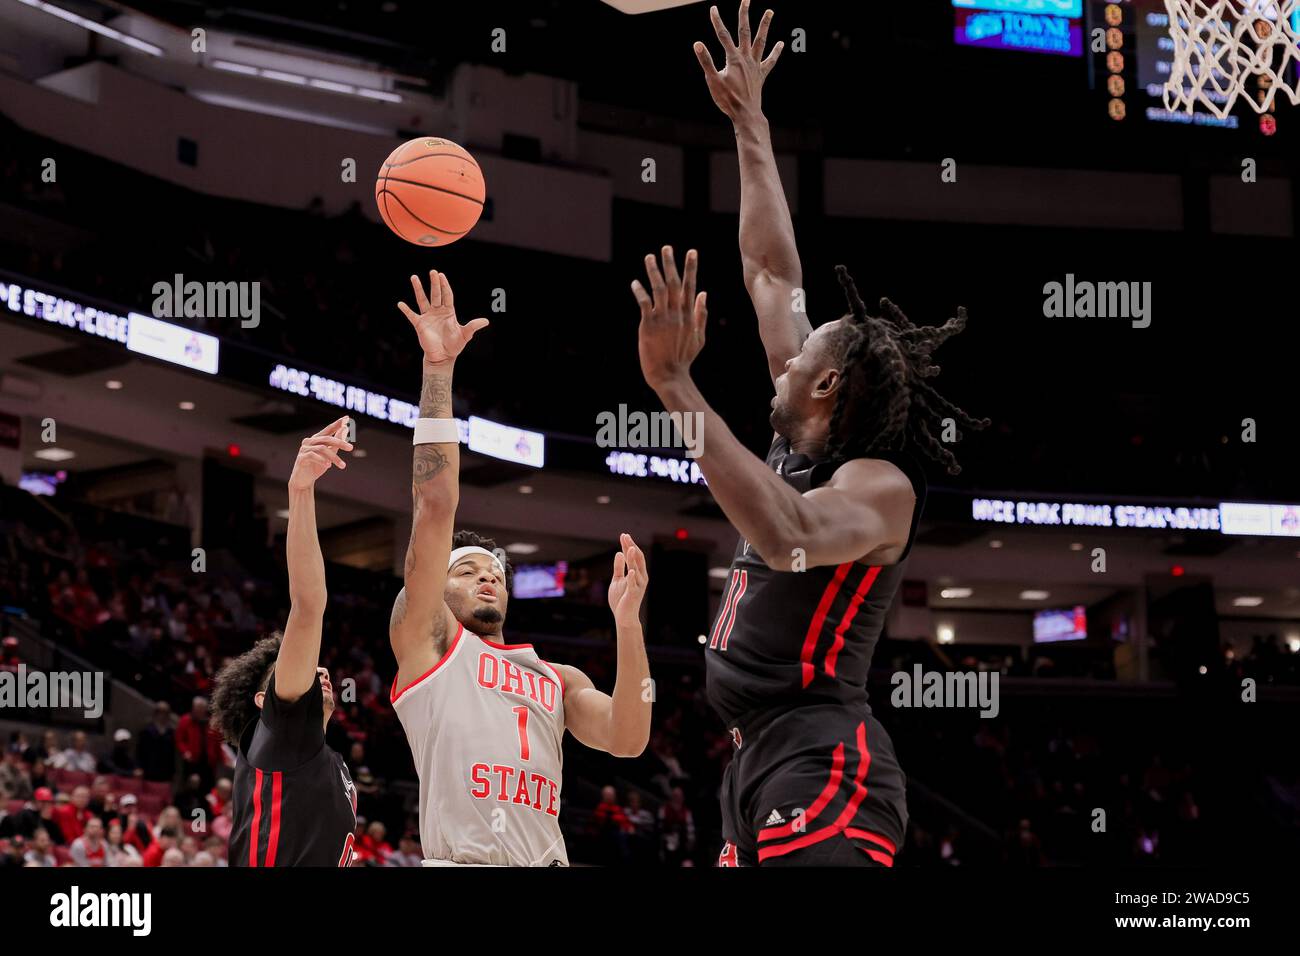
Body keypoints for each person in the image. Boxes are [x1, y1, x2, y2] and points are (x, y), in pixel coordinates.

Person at [629, 2, 988, 867]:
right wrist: (749, 123)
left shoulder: (881, 487)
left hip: (825, 762)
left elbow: (787, 537)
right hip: (754, 764)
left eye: (799, 359)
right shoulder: (807, 434)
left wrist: (676, 386)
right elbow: (769, 269)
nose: (779, 362)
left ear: (828, 385)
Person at [387, 271, 654, 867]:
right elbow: (435, 504)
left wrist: (628, 624)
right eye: (468, 571)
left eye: (496, 574)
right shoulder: (430, 645)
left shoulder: (557, 677)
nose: (487, 578)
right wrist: (437, 373)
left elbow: (629, 738)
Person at [212, 419, 359, 867]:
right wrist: (300, 491)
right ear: (265, 699)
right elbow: (309, 603)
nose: (319, 672)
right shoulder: (281, 729)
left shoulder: (321, 757)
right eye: (304, 667)